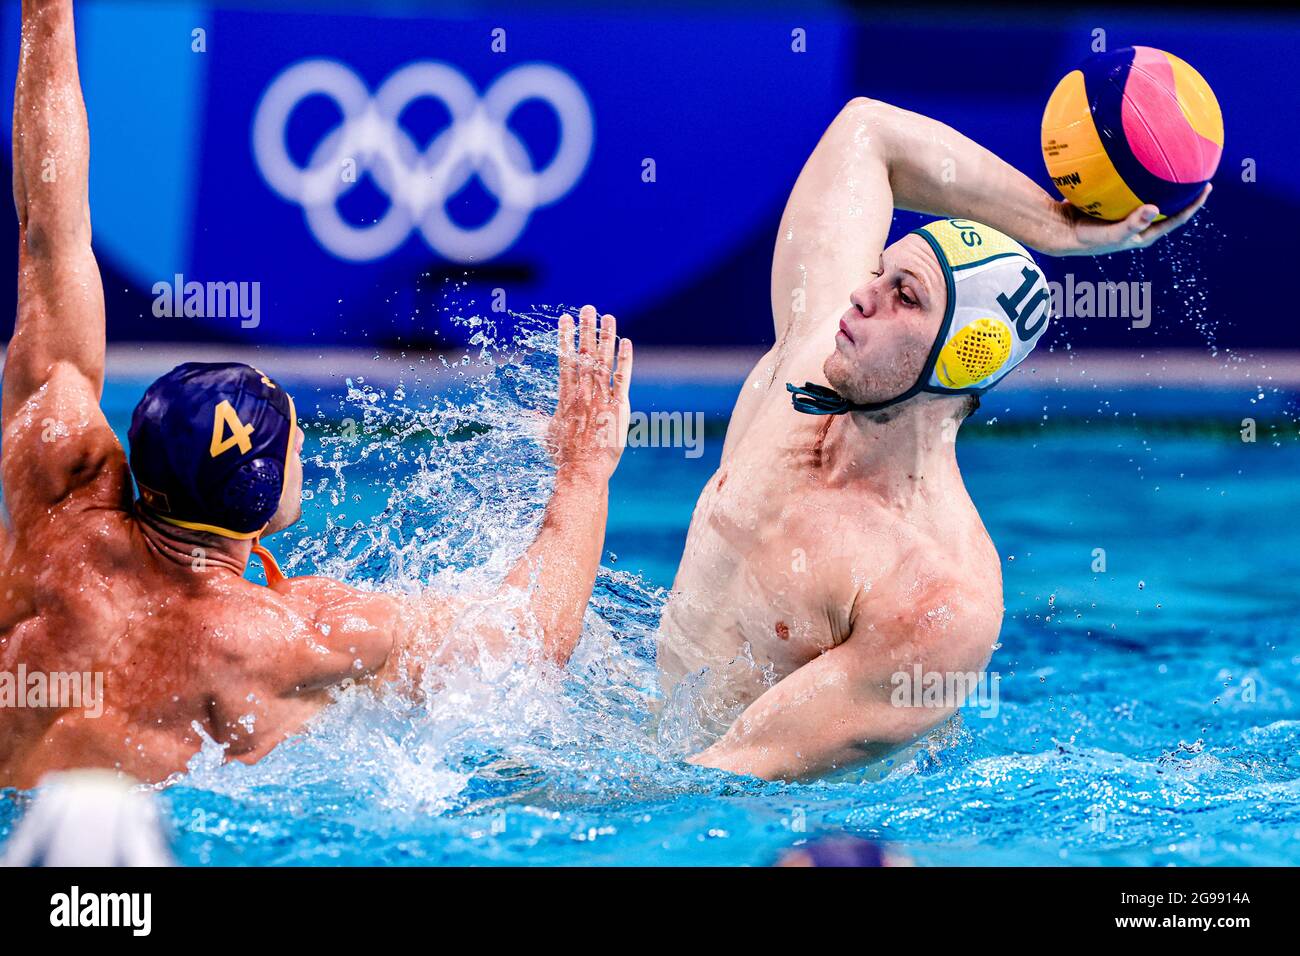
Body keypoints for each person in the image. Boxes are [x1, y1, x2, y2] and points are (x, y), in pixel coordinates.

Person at [0, 0, 633, 789]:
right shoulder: (294, 635)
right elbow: (531, 642)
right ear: (263, 497)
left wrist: (46, 16)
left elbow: (48, 231)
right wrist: (583, 470)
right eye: (297, 445)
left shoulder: (59, 511)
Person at [660, 96, 1208, 781]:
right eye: (878, 275)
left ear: (960, 360)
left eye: (905, 296)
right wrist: (1053, 229)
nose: (861, 297)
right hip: (661, 751)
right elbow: (869, 131)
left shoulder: (934, 598)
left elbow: (717, 783)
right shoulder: (809, 357)